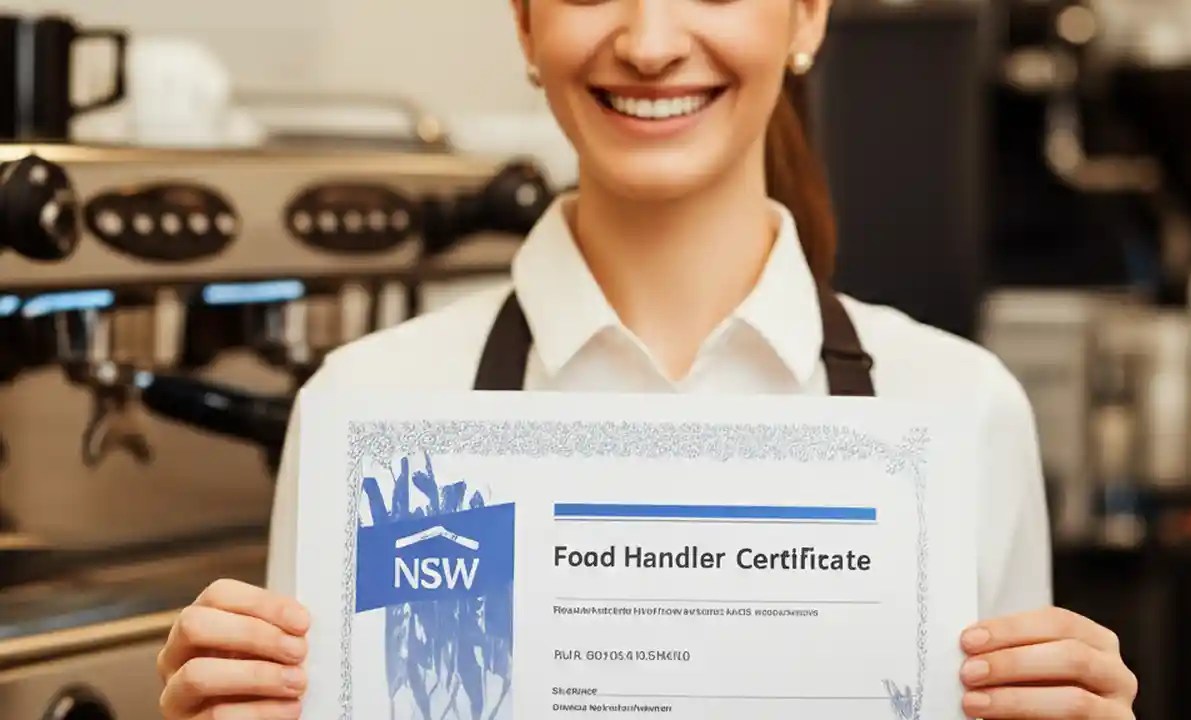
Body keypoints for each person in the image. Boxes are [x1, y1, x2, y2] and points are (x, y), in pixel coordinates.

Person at [156, 0, 1139, 718]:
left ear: (805, 17)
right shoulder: (365, 411)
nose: (649, 42)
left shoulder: (961, 407)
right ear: (523, 23)